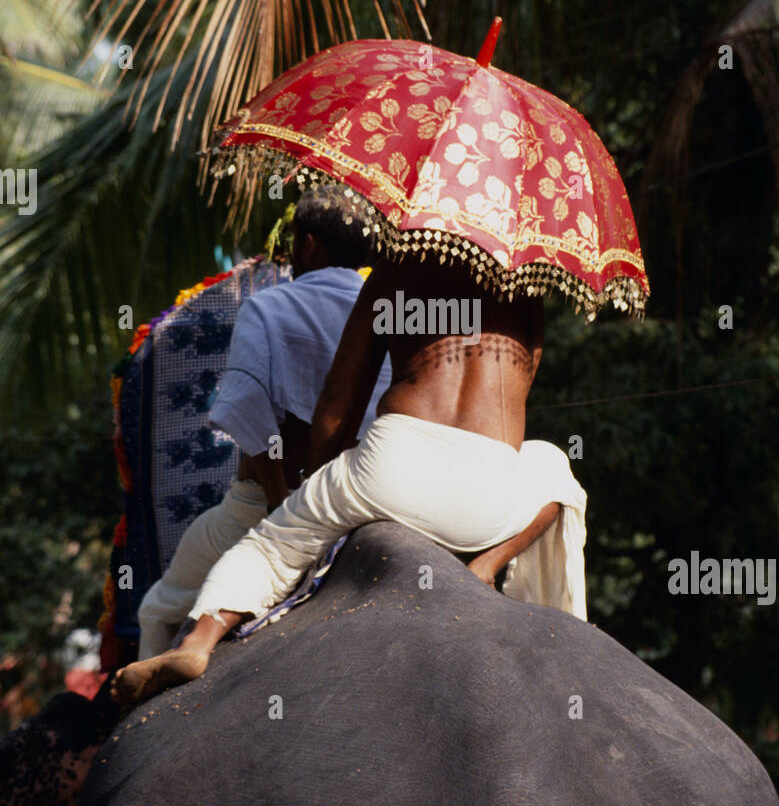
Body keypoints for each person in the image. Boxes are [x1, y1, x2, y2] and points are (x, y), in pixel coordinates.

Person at [113, 245, 587, 707]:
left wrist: (317, 484)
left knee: (272, 545)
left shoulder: (398, 269)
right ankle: (484, 566)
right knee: (556, 469)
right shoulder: (525, 286)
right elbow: (520, 388)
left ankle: (199, 639)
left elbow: (340, 402)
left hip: (391, 467)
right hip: (488, 496)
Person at [121, 187, 391, 669]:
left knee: (156, 608)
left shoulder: (270, 308)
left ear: (309, 245)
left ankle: (143, 696)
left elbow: (250, 415)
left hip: (270, 504)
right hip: (373, 500)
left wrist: (279, 503)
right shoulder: (387, 314)